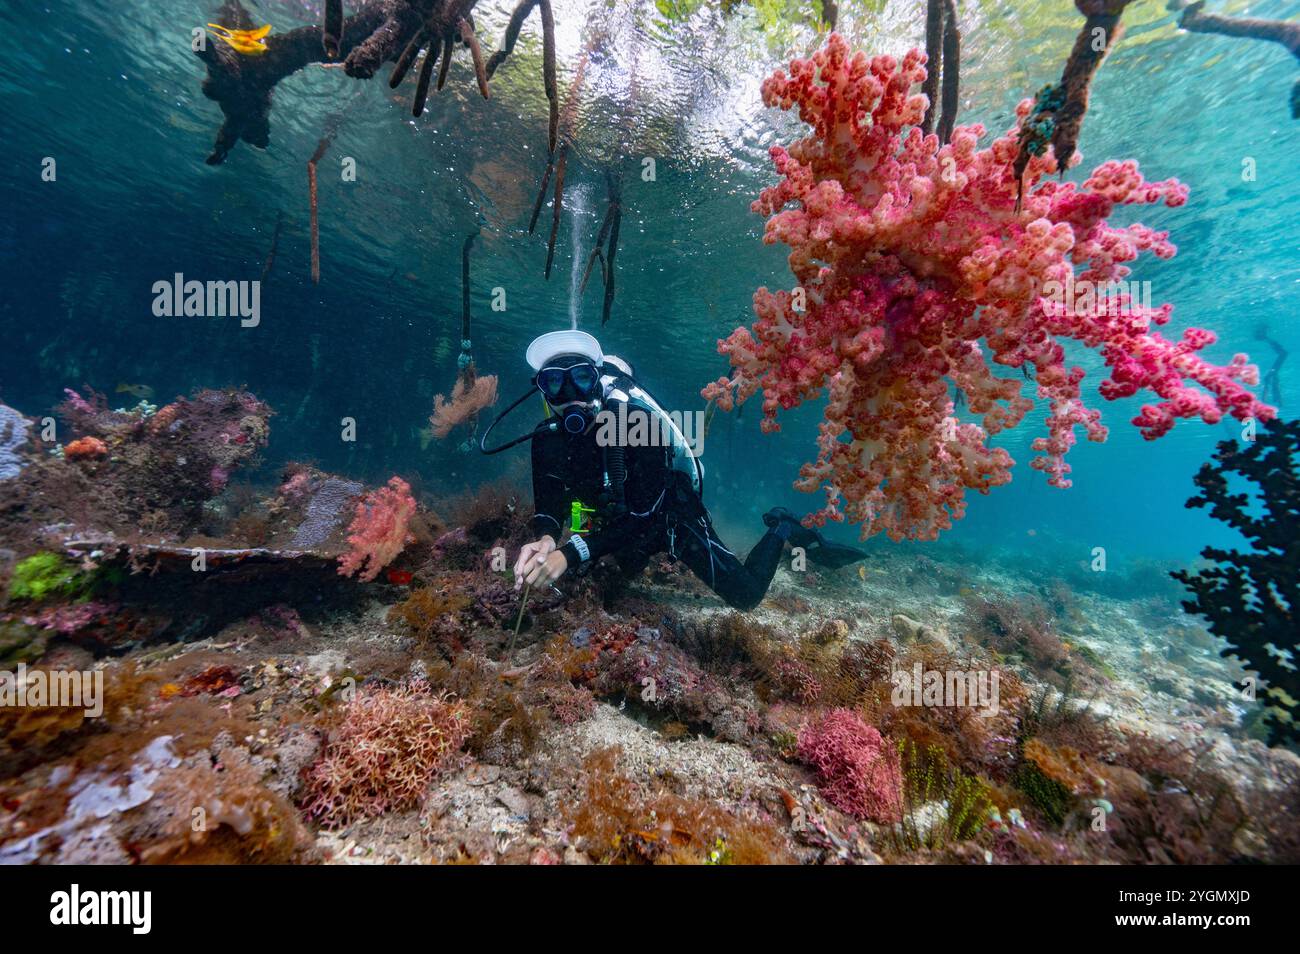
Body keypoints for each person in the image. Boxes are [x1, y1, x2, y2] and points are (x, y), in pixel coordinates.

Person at [506, 330, 867, 610]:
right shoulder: (547, 437)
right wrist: (547, 538)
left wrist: (570, 553)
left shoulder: (638, 423)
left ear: (597, 379)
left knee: (746, 595)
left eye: (581, 378)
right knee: (620, 570)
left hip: (668, 518)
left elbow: (643, 518)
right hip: (616, 519)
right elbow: (549, 504)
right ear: (541, 391)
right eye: (554, 381)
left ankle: (783, 526)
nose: (570, 392)